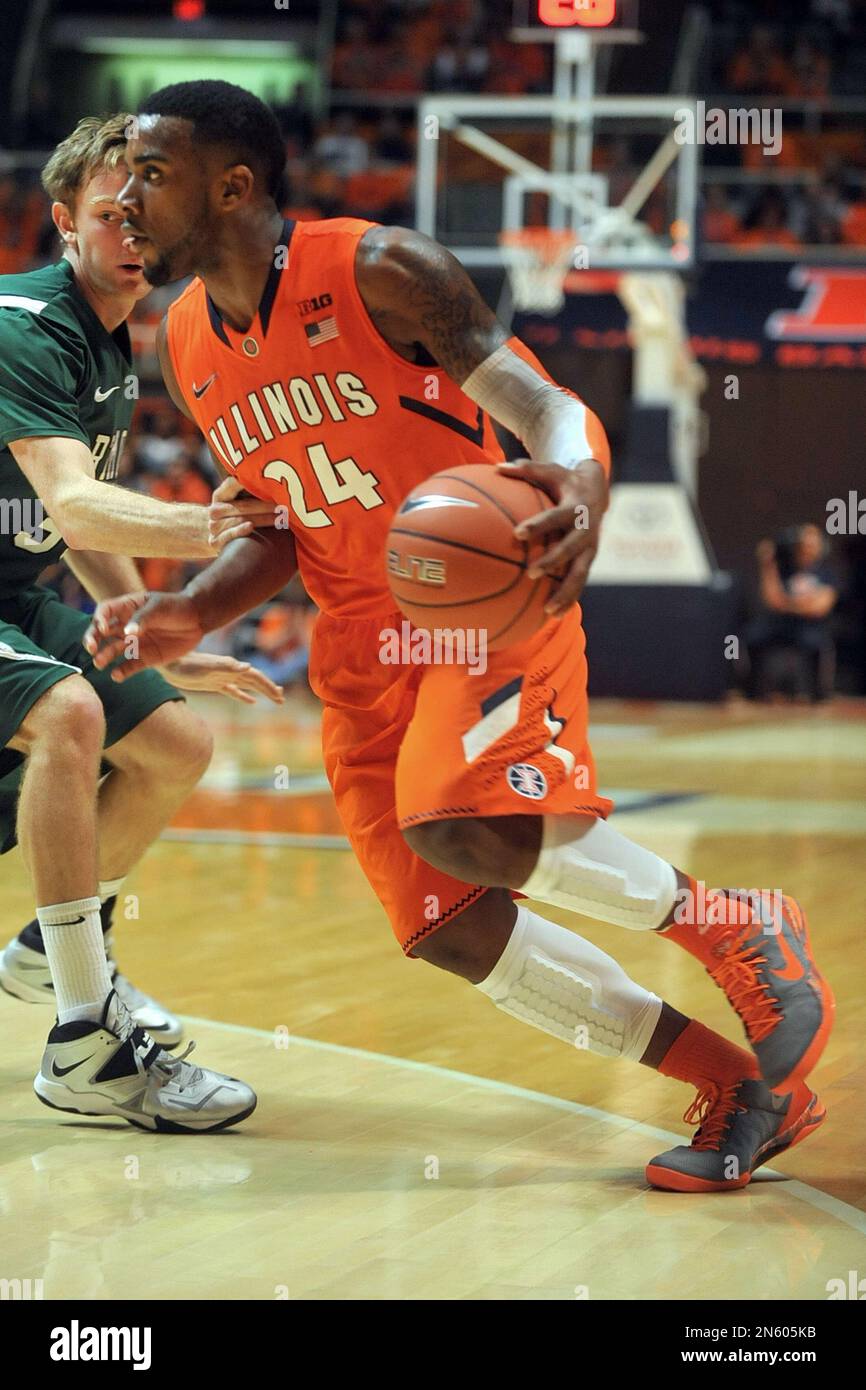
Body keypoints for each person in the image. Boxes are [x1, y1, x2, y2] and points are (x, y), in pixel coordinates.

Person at [89, 81, 832, 1188]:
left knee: (456, 820)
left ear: (232, 184)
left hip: (476, 598)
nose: (123, 195)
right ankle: (742, 1085)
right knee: (449, 928)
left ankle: (730, 919)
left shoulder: (381, 268)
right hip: (355, 643)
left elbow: (539, 405)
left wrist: (578, 478)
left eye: (150, 171)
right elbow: (287, 521)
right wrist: (190, 609)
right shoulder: (187, 340)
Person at [0, 113, 281, 1132]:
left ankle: (46, 952)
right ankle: (85, 1039)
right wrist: (210, 525)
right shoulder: (26, 324)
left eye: (148, 211)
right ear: (65, 220)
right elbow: (72, 506)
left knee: (174, 742)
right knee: (70, 717)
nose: (135, 230)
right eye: (112, 212)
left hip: (11, 587)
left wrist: (149, 624)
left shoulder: (112, 341)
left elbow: (61, 533)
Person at [745, 525, 839, 702]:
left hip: (810, 626)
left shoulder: (826, 573)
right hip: (780, 623)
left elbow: (820, 608)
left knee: (816, 643)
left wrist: (789, 604)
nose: (807, 548)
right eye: (804, 543)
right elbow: (772, 601)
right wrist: (768, 565)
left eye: (813, 544)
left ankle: (818, 693)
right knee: (753, 635)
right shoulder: (783, 569)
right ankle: (754, 691)